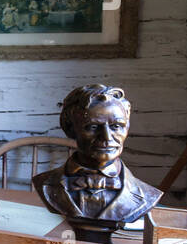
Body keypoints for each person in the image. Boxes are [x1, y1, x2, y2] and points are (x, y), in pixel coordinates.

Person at [32, 84, 161, 231]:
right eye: (92, 127)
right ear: (70, 129)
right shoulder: (44, 183)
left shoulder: (147, 194)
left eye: (116, 126)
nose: (106, 137)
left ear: (127, 127)